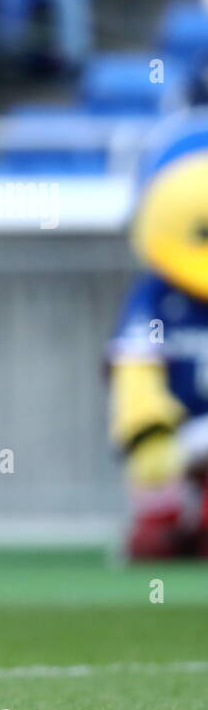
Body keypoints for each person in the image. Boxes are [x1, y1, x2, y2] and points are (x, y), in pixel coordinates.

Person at [108, 117, 208, 560]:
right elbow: (135, 365)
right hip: (176, 432)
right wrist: (146, 428)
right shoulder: (156, 298)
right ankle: (163, 525)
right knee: (153, 530)